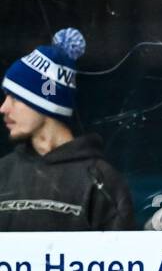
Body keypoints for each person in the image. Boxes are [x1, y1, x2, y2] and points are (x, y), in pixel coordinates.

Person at [0, 28, 134, 232]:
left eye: (16, 97)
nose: (3, 108)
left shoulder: (102, 181)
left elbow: (121, 261)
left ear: (46, 100)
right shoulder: (3, 173)